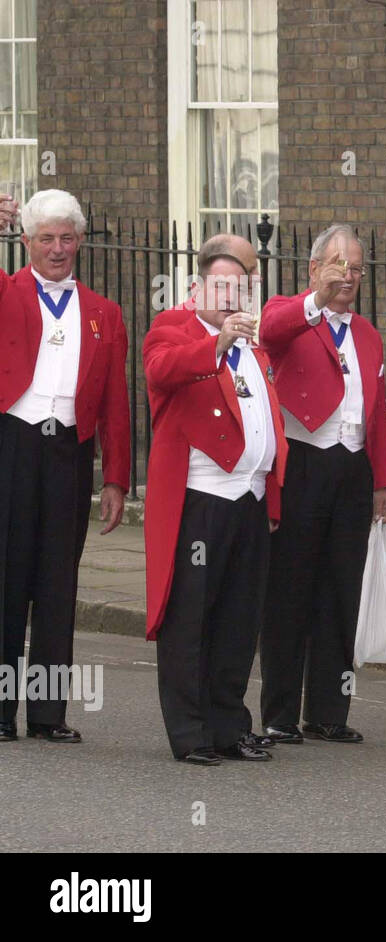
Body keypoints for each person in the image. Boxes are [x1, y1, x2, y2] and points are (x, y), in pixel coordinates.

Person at [143, 235, 288, 764]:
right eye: (220, 286)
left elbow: (267, 424)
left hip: (247, 499)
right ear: (196, 288)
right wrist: (218, 343)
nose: (230, 298)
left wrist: (270, 498)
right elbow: (163, 371)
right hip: (198, 500)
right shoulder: (172, 331)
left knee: (237, 620)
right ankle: (190, 732)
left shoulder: (255, 346)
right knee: (190, 620)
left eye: (240, 287)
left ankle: (230, 725)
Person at [257, 225, 386, 745]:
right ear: (314, 269)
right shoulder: (290, 314)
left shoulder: (367, 334)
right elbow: (270, 331)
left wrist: (382, 480)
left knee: (342, 592)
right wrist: (313, 302)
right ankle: (279, 714)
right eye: (338, 264)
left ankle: (329, 712)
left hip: (350, 469)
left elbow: (375, 414)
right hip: (303, 465)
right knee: (290, 592)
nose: (348, 275)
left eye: (356, 267)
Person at [0, 189, 129, 744]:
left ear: (80, 241)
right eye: (46, 238)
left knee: (58, 582)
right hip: (13, 444)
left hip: (69, 454)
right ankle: (1, 713)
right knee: (8, 579)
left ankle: (48, 715)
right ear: (26, 241)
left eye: (67, 237)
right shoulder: (8, 292)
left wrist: (117, 477)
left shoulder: (104, 312)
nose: (57, 248)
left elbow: (116, 403)